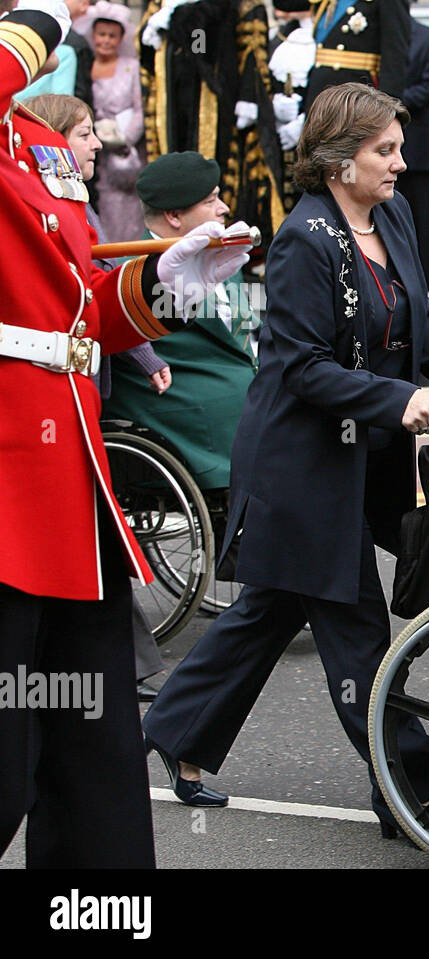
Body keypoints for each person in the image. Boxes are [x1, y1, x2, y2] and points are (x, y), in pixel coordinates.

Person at [140, 84, 429, 843]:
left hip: (366, 461)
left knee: (269, 608)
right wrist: (398, 400)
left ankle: (173, 731)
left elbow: (423, 320)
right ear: (337, 161)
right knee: (354, 625)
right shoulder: (304, 238)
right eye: (384, 151)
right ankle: (413, 791)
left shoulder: (389, 214)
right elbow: (301, 367)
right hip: (303, 467)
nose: (401, 162)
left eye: (399, 147)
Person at [1, 0, 248, 868]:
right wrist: (33, 25)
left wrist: (162, 280)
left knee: (90, 763)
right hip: (5, 498)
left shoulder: (31, 144)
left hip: (68, 491)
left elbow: (69, 313)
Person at [20, 91, 172, 702]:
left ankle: (113, 662)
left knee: (93, 534)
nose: (93, 145)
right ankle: (114, 663)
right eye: (82, 135)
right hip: (49, 396)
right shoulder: (55, 208)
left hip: (84, 386)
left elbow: (100, 293)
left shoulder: (78, 207)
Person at [101, 152, 258, 492]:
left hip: (245, 406)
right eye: (211, 200)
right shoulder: (132, 274)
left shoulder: (221, 253)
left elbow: (246, 334)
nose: (224, 209)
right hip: (194, 424)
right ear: (173, 216)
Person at [138, 0, 285, 243]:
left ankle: (217, 233)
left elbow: (243, 52)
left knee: (217, 167)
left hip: (216, 99)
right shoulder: (160, 5)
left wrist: (248, 96)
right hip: (172, 98)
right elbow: (146, 51)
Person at [82, 1, 141, 241]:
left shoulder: (132, 67)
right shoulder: (86, 65)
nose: (105, 40)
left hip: (123, 154)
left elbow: (140, 109)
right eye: (101, 34)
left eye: (112, 36)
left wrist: (123, 139)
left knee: (124, 212)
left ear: (121, 38)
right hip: (93, 150)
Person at [396, 16, 429, 289]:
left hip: (417, 147)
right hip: (373, 146)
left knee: (421, 224)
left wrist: (386, 101)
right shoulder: (372, 35)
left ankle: (423, 286)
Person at [267, 0, 317, 214]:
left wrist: (306, 121)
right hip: (278, 135)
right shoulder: (277, 39)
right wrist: (273, 107)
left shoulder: (325, 34)